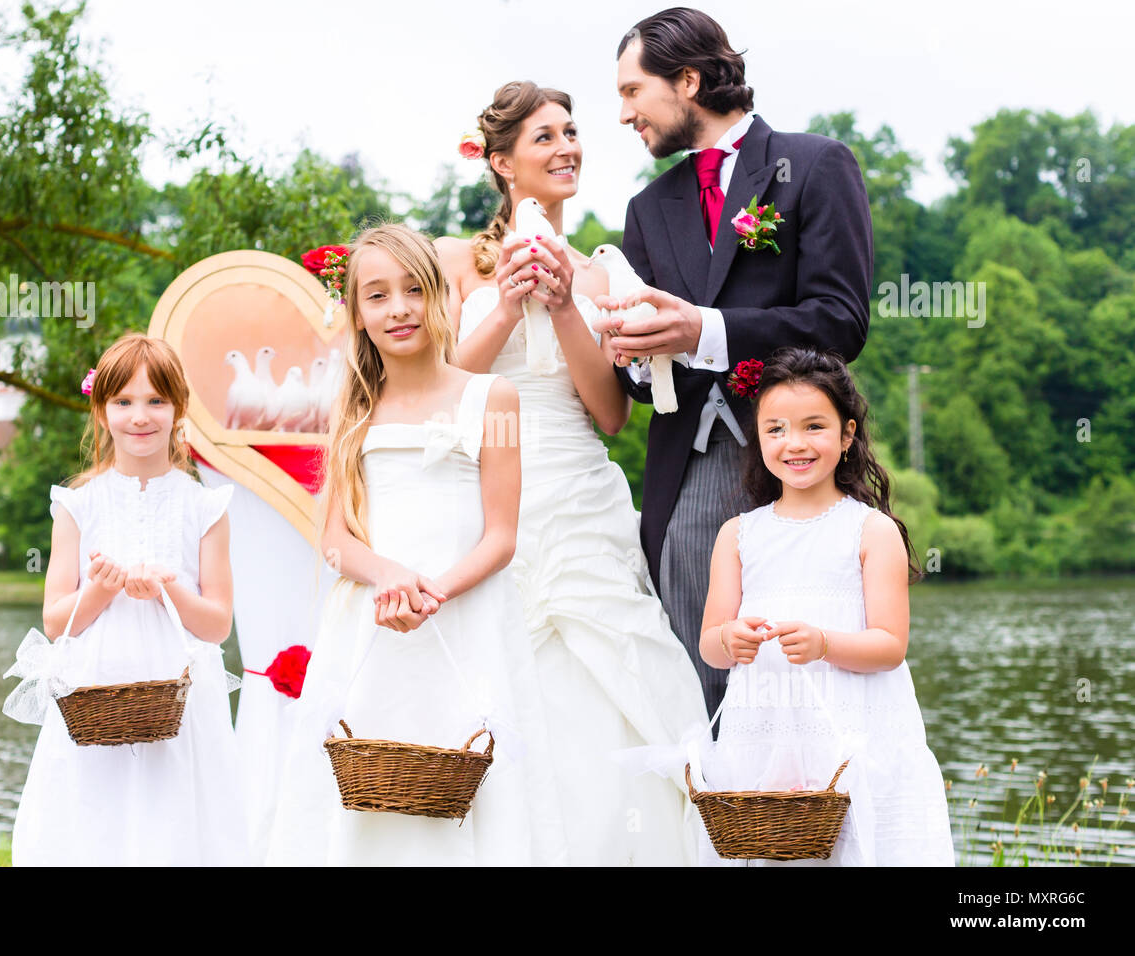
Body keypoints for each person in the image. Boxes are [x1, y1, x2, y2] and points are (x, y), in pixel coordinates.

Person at [436, 81, 709, 865]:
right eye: (545, 138)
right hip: (489, 490)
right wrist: (505, 303)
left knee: (616, 674)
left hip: (583, 493)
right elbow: (445, 391)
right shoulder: (458, 263)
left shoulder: (602, 275)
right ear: (501, 163)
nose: (567, 148)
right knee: (503, 674)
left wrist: (560, 306)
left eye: (572, 132)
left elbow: (614, 414)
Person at [594, 8, 873, 729]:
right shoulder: (647, 209)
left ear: (688, 81)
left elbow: (841, 321)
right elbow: (635, 382)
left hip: (800, 466)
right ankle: (716, 831)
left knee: (814, 692)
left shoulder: (815, 165)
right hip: (685, 476)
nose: (623, 114)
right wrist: (626, 350)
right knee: (700, 692)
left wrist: (706, 328)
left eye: (632, 91)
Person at [265, 223, 567, 865]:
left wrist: (433, 591)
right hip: (373, 620)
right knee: (364, 778)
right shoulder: (353, 405)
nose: (397, 308)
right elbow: (335, 539)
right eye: (376, 296)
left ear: (439, 296)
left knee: (470, 773)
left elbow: (502, 535)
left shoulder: (494, 398)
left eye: (412, 290)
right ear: (357, 313)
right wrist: (389, 576)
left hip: (464, 616)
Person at [697, 347, 954, 865]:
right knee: (774, 847)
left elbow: (889, 645)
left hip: (854, 724)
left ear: (847, 433)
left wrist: (823, 643)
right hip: (765, 726)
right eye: (776, 429)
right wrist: (731, 639)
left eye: (814, 426)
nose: (794, 443)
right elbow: (710, 645)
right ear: (759, 437)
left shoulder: (870, 530)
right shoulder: (739, 535)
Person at [4, 333, 247, 866]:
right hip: (97, 690)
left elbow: (218, 625)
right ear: (102, 409)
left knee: (174, 812)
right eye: (124, 402)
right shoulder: (77, 506)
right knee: (98, 813)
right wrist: (101, 589)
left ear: (179, 409)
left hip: (179, 693)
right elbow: (54, 621)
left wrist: (171, 591)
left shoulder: (204, 507)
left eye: (157, 400)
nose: (141, 416)